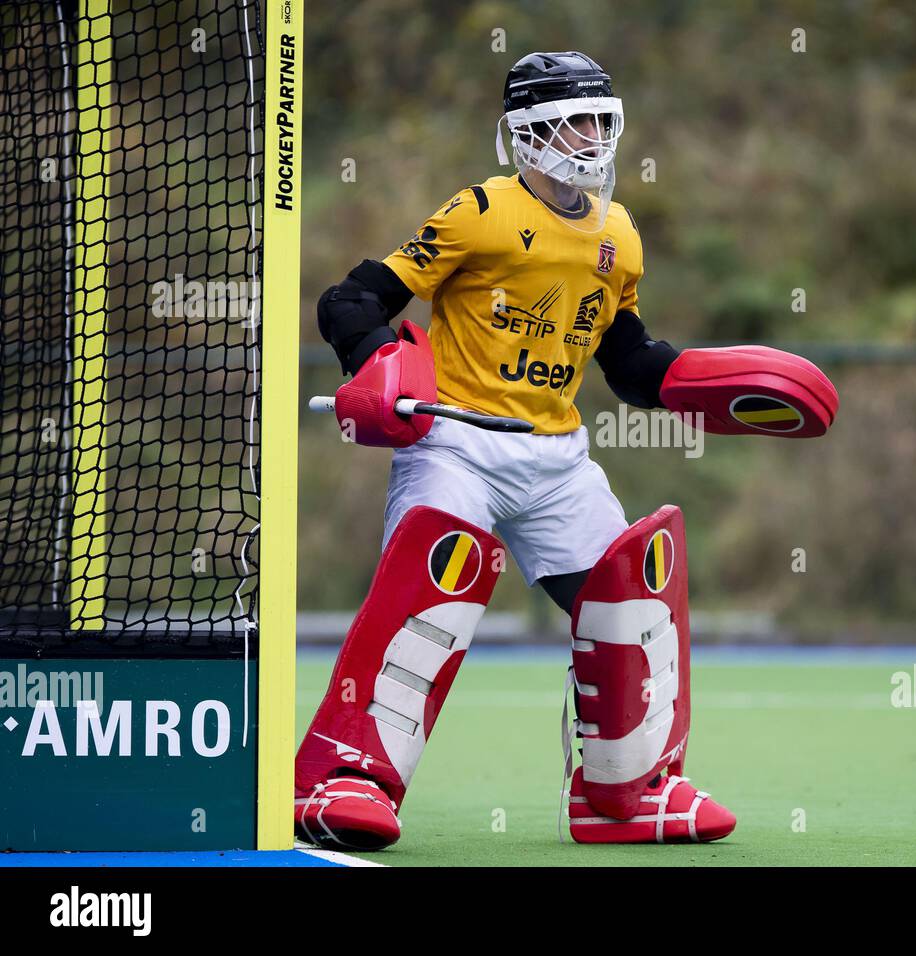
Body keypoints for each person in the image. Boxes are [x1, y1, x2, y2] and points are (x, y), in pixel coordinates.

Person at [295, 51, 838, 850]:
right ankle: (345, 776)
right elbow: (352, 298)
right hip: (457, 445)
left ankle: (625, 795)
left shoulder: (618, 233)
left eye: (599, 120)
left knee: (634, 604)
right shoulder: (479, 210)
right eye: (572, 121)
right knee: (429, 597)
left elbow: (627, 363)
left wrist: (702, 382)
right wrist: (378, 360)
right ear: (528, 134)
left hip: (558, 459)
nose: (590, 136)